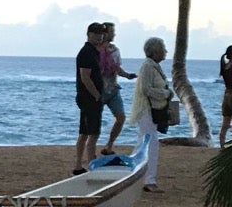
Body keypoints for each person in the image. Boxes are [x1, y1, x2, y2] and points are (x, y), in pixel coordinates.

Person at [129, 36, 172, 191]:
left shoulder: (153, 66)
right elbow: (145, 89)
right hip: (146, 109)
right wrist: (165, 94)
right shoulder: (148, 66)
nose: (165, 51)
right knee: (150, 143)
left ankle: (132, 173)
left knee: (145, 142)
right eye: (163, 48)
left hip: (151, 110)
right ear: (155, 51)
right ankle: (148, 180)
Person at [73, 21, 106, 172]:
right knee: (92, 132)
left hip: (90, 97)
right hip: (88, 98)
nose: (99, 36)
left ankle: (80, 164)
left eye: (101, 33)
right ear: (89, 34)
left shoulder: (94, 51)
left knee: (86, 132)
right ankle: (90, 163)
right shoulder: (86, 52)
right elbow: (85, 76)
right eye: (96, 33)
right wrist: (96, 95)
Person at [99, 21, 135, 152]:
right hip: (99, 90)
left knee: (121, 118)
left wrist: (127, 75)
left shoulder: (114, 50)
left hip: (113, 89)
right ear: (104, 33)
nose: (114, 34)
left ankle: (109, 145)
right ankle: (91, 147)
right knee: (95, 121)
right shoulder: (95, 50)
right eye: (111, 32)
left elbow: (117, 68)